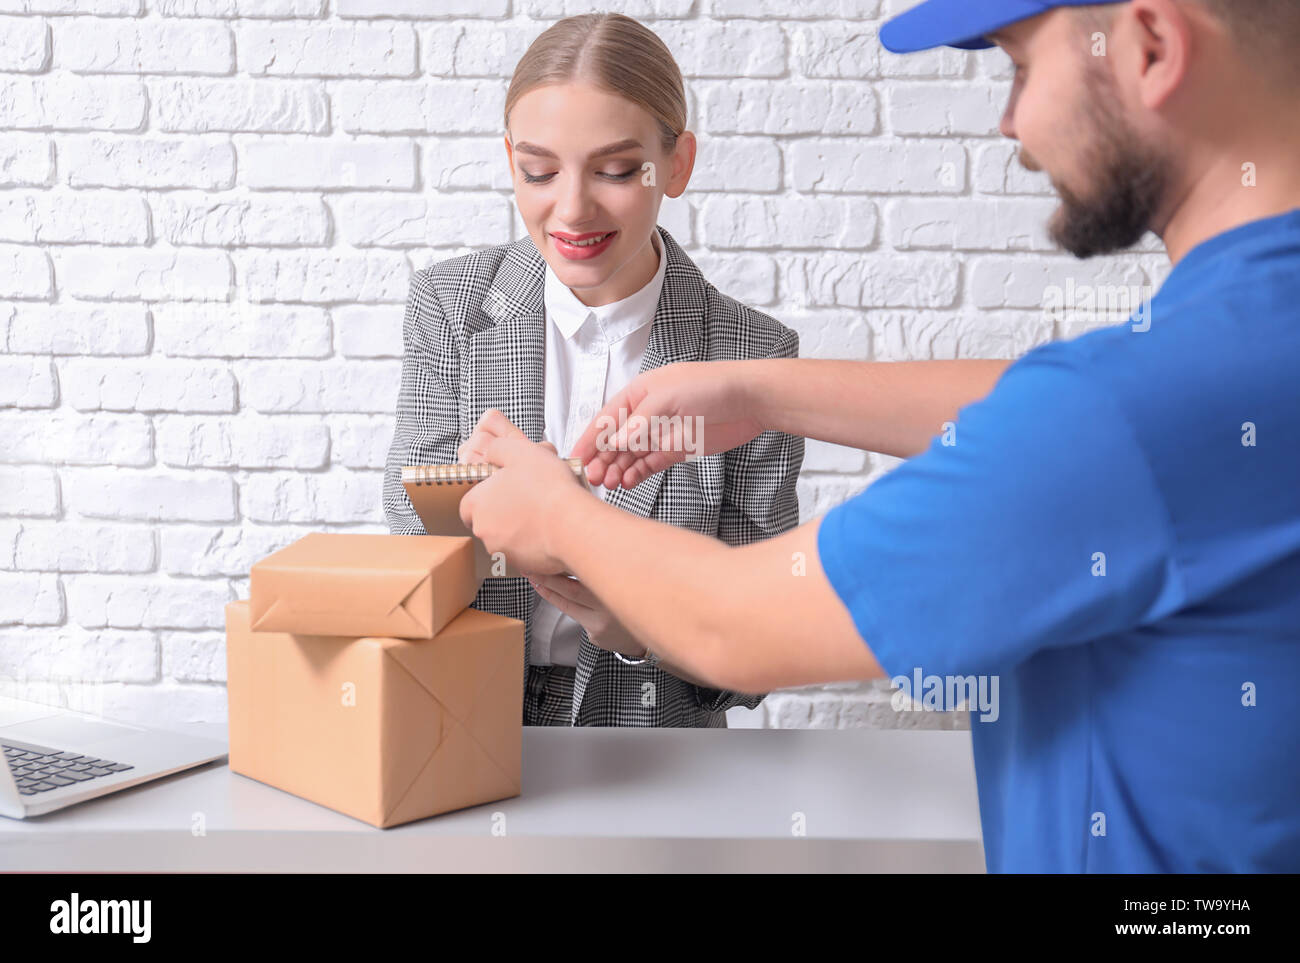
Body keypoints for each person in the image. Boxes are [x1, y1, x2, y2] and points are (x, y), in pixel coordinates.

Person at [458, 0, 1300, 872]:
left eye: (1018, 66)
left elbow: (736, 628)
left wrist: (557, 515)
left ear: (1153, 46)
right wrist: (760, 390)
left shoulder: (1123, 414)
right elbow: (1060, 411)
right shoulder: (1232, 353)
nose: (1010, 121)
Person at [382, 13, 803, 728]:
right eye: (539, 172)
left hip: (655, 743)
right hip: (465, 722)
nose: (572, 208)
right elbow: (410, 540)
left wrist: (635, 628)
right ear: (510, 157)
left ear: (677, 163)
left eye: (614, 170)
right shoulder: (448, 308)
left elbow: (758, 654)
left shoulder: (754, 358)